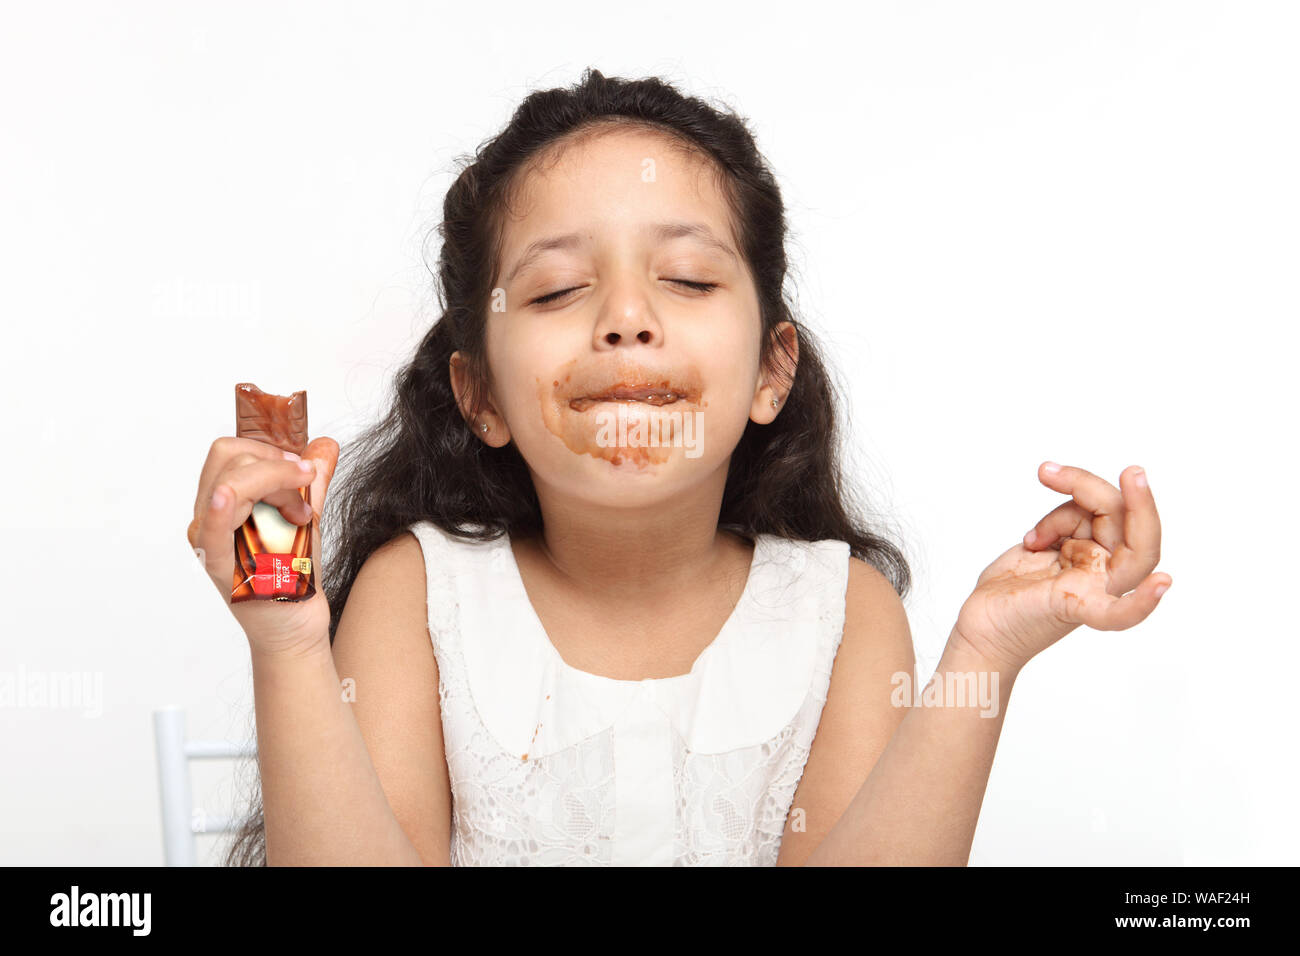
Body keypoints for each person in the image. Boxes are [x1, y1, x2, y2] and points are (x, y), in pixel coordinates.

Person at [186, 68, 1170, 866]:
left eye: (689, 279)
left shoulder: (842, 610)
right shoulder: (418, 594)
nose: (625, 316)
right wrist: (287, 647)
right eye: (559, 288)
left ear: (770, 369)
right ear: (480, 394)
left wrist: (984, 650)